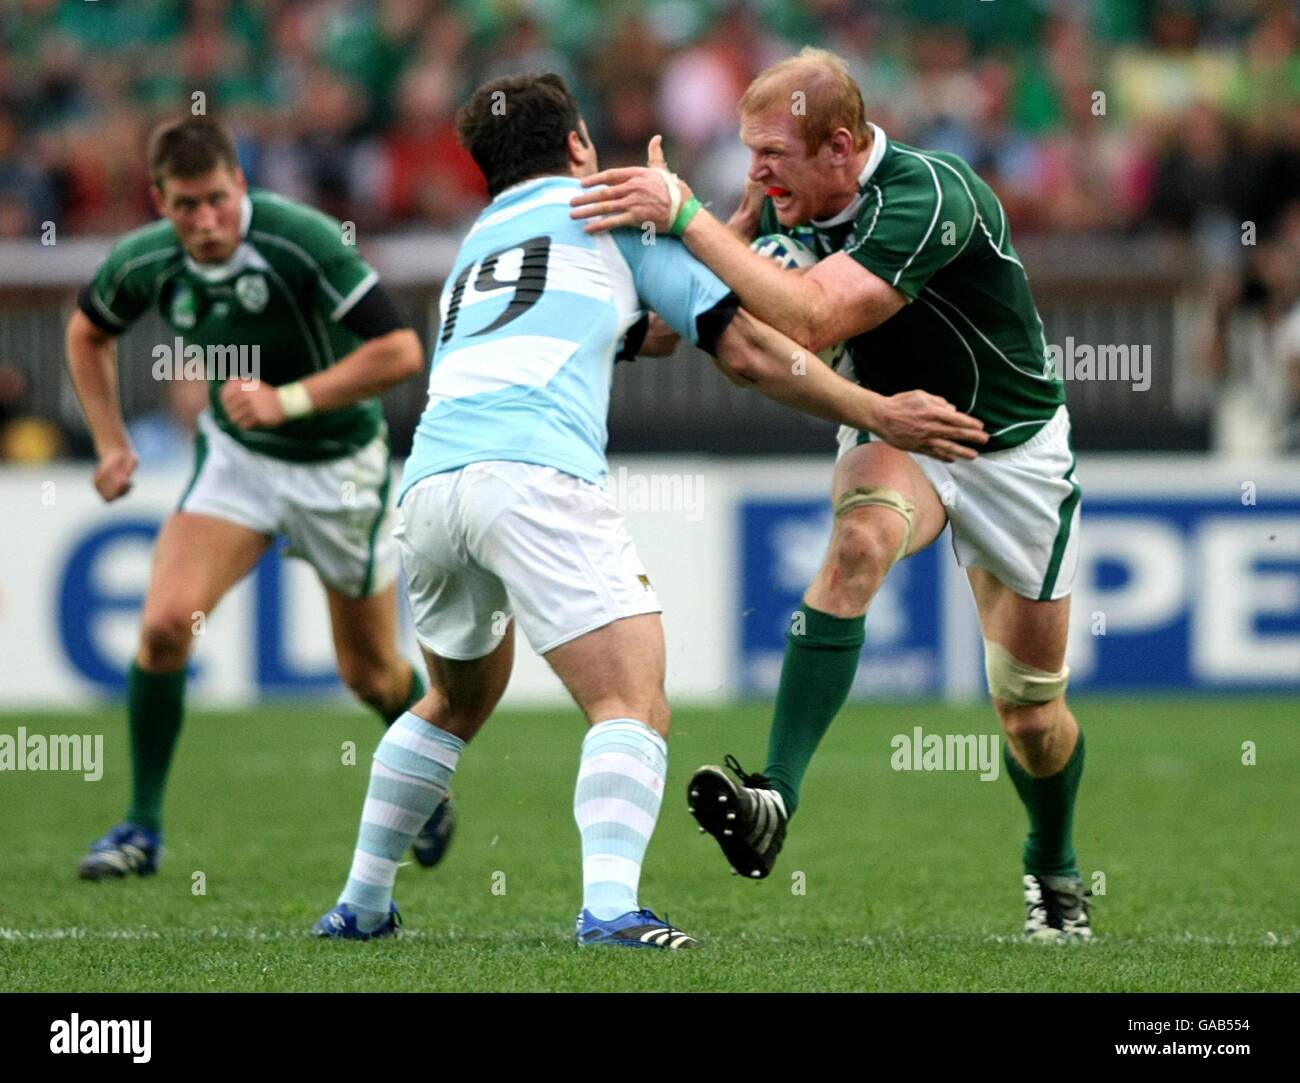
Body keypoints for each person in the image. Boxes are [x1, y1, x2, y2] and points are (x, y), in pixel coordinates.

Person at [312, 71, 987, 947]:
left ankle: (362, 904)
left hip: (432, 484)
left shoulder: (478, 246)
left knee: (450, 699)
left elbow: (649, 328)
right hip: (533, 477)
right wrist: (878, 413)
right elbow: (743, 351)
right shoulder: (613, 211)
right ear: (582, 147)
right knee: (631, 700)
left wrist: (724, 233)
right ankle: (610, 910)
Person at [572, 47, 1091, 941]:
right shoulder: (788, 218)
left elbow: (814, 316)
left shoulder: (931, 195)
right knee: (857, 548)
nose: (756, 169)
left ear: (842, 146)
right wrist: (704, 242)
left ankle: (1053, 863)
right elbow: (661, 333)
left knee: (1031, 715)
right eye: (747, 149)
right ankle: (774, 796)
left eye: (772, 151)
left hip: (1010, 453)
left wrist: (692, 220)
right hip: (898, 433)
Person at [66, 117, 454, 881]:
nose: (204, 222)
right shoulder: (147, 260)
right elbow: (87, 331)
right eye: (185, 206)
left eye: (215, 200)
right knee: (166, 626)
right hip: (239, 462)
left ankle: (428, 781)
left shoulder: (299, 240)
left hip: (340, 465)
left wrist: (292, 398)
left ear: (240, 185)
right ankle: (142, 827)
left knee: (371, 673)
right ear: (160, 201)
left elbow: (403, 350)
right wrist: (111, 441)